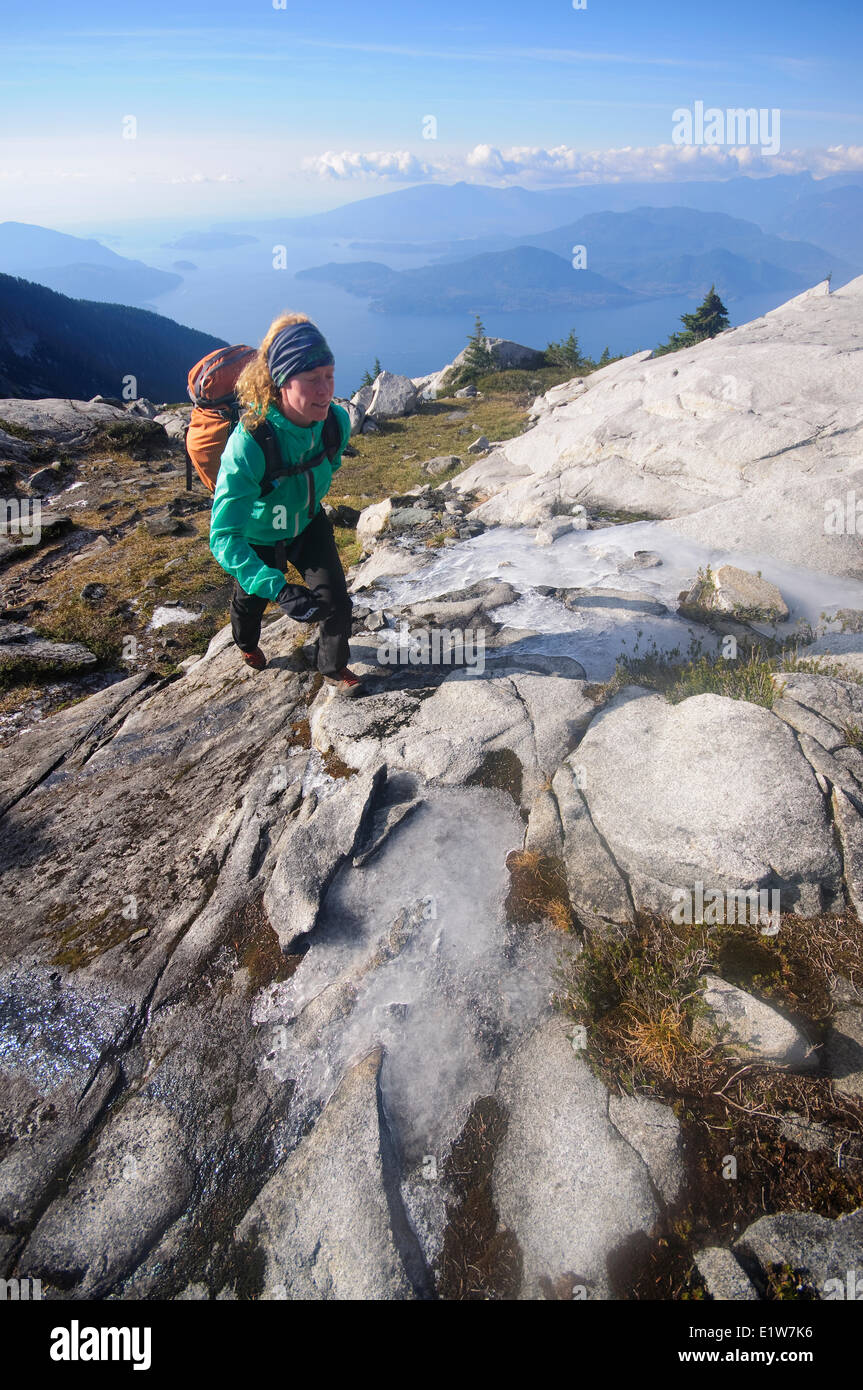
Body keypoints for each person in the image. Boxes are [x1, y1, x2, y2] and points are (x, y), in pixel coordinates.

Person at [209, 312, 363, 696]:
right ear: (280, 382)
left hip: (307, 524)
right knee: (251, 603)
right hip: (259, 534)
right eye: (312, 380)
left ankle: (332, 665)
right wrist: (278, 589)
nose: (325, 390)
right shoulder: (251, 442)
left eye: (329, 375)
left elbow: (331, 461)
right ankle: (246, 645)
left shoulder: (335, 423)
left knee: (336, 602)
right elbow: (224, 537)